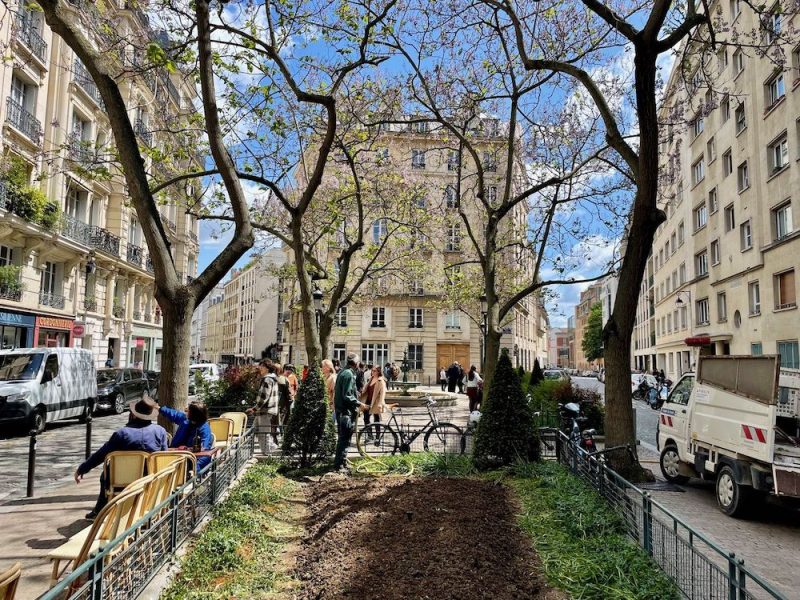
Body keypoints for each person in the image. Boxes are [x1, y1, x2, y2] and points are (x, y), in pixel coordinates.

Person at [75, 396, 167, 519]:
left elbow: (102, 454)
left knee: (106, 473)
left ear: (133, 415)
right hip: (149, 477)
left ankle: (100, 509)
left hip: (120, 480)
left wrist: (82, 469)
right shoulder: (160, 431)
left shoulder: (122, 433)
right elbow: (163, 455)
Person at [333, 353, 369, 472]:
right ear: (357, 364)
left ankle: (342, 463)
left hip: (341, 411)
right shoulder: (348, 375)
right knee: (344, 439)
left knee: (343, 438)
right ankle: (339, 466)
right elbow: (347, 396)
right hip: (345, 412)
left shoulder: (343, 372)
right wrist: (360, 404)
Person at [160, 400, 214, 471]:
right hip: (177, 454)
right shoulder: (186, 420)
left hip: (193, 457)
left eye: (188, 410)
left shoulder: (204, 429)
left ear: (194, 414)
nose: (186, 411)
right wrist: (159, 408)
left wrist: (186, 450)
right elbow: (174, 414)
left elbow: (203, 448)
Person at [249, 360, 280, 452]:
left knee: (263, 433)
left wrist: (254, 409)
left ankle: (268, 453)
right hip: (265, 410)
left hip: (265, 410)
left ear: (266, 368)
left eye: (261, 366)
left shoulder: (268, 379)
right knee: (257, 431)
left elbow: (263, 397)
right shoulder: (271, 379)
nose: (259, 368)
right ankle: (271, 449)